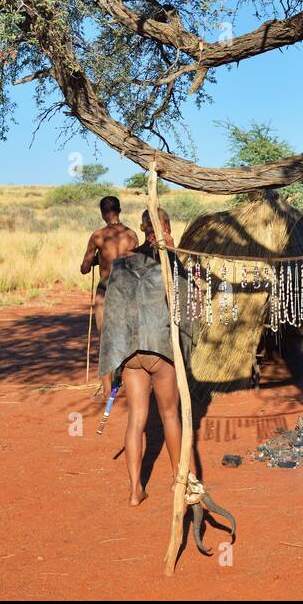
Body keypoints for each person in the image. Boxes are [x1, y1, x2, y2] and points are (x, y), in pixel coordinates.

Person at [99, 205, 191, 506]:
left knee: (136, 419)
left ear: (141, 229)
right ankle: (181, 480)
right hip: (160, 350)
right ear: (167, 229)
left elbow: (111, 314)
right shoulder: (170, 263)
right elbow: (189, 309)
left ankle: (135, 490)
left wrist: (109, 368)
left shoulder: (123, 264)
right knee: (169, 416)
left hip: (130, 354)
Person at [80, 195, 139, 387]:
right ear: (119, 210)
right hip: (128, 287)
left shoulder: (97, 236)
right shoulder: (131, 235)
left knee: (105, 335)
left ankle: (107, 388)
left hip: (106, 287)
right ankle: (126, 376)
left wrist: (98, 259)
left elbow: (84, 268)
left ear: (102, 213)